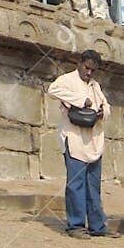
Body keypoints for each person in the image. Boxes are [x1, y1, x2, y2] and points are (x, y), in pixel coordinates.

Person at [46, 50, 112, 237]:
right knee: (76, 184)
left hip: (93, 140)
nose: (89, 73)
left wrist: (101, 112)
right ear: (79, 63)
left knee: (93, 184)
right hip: (74, 137)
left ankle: (97, 226)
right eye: (87, 68)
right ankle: (75, 225)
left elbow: (106, 106)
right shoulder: (67, 80)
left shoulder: (95, 85)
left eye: (93, 70)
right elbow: (53, 90)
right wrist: (82, 101)